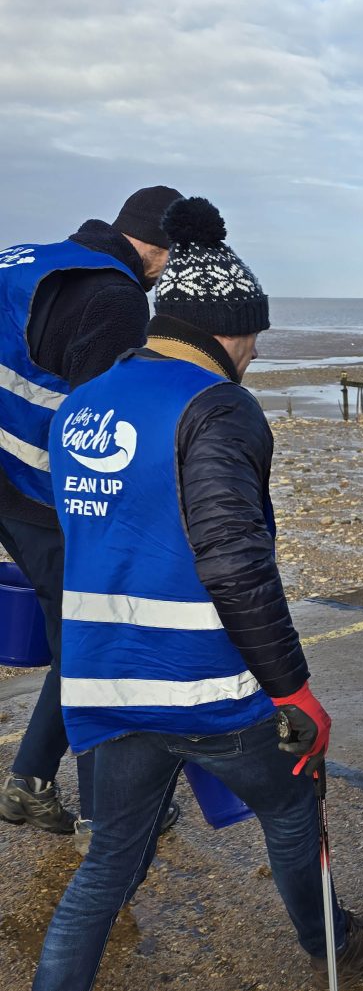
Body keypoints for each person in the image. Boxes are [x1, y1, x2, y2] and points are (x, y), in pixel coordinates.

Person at [11, 197, 363, 991]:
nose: (259, 356)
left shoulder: (82, 404)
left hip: (103, 689)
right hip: (204, 683)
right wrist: (292, 688)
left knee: (104, 870)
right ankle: (335, 943)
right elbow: (236, 558)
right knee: (290, 805)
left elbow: (81, 540)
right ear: (228, 332)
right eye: (255, 338)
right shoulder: (218, 407)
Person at [0, 187, 183, 837]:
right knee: (98, 636)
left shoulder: (30, 257)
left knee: (74, 635)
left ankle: (32, 779)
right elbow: (98, 427)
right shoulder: (118, 297)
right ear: (158, 250)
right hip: (32, 487)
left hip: (4, 474)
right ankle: (110, 806)